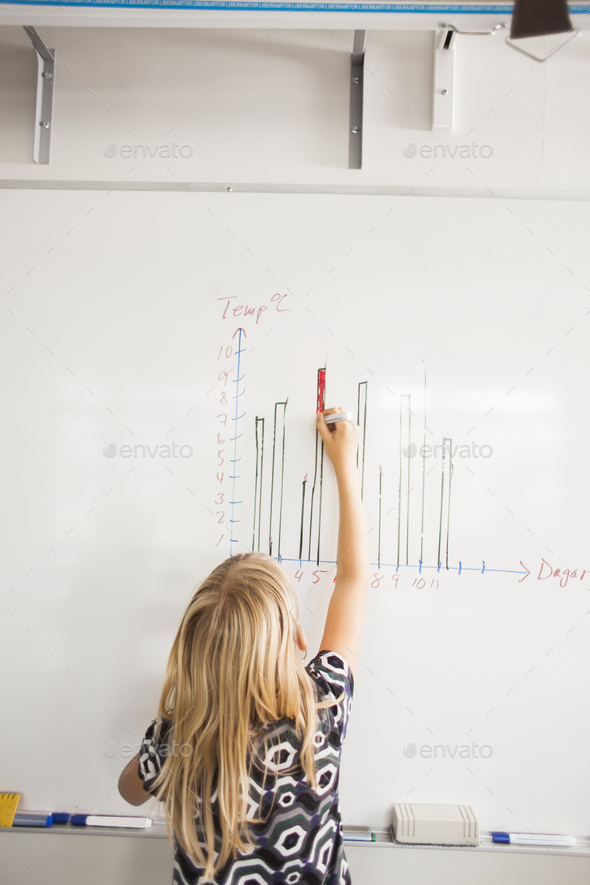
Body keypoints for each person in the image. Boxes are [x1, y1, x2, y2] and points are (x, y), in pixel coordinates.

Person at [118, 406, 369, 884]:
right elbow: (353, 581)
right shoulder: (321, 706)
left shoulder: (180, 741)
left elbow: (129, 792)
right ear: (296, 638)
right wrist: (346, 463)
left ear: (195, 653)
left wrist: (168, 730)